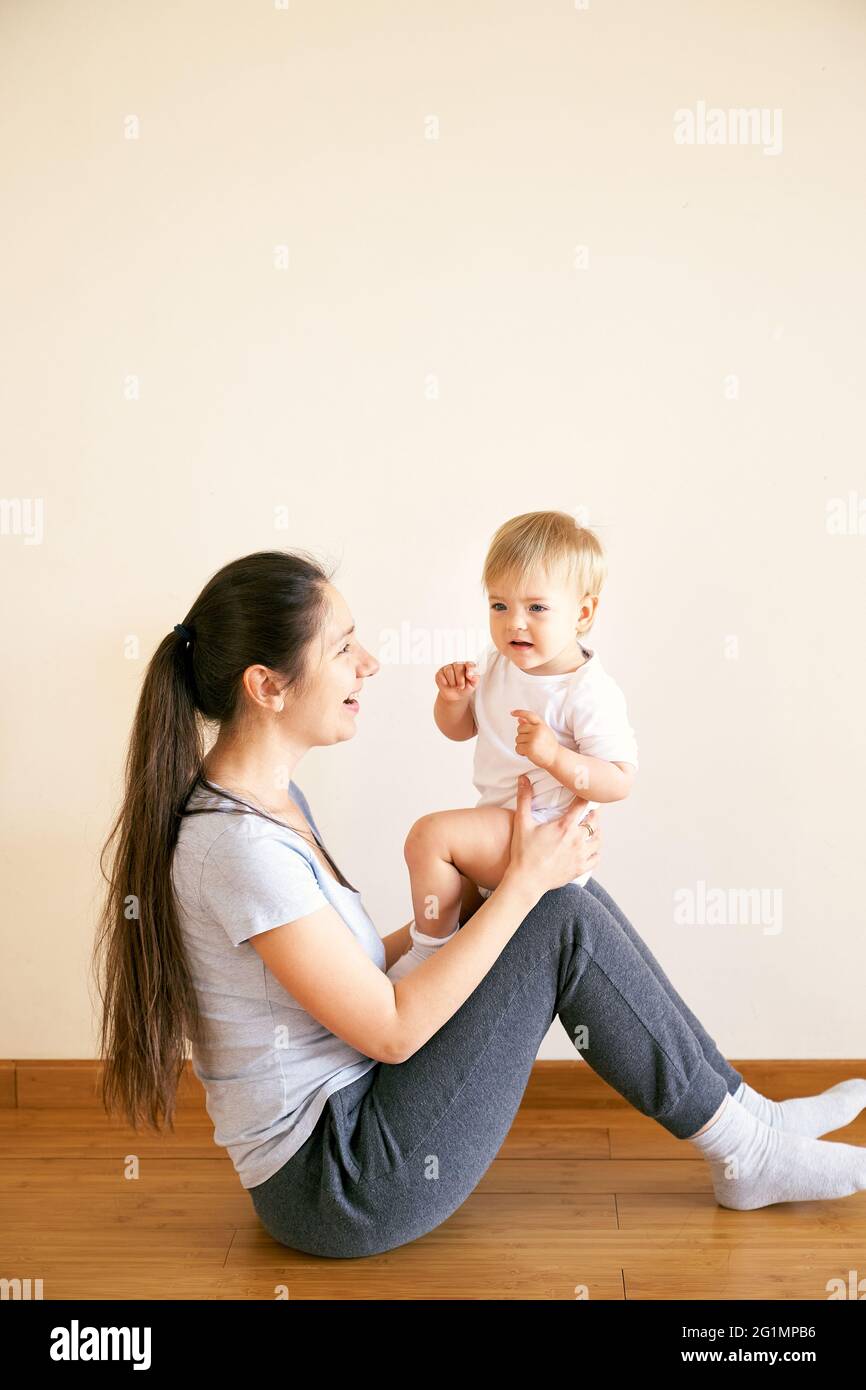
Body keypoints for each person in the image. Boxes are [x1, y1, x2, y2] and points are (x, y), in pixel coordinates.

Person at [93, 548, 866, 1260]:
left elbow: (356, 976)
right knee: (551, 910)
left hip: (355, 1129)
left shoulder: (265, 804)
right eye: (342, 648)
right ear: (266, 686)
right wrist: (522, 886)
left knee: (541, 902)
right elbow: (392, 1032)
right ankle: (744, 1147)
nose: (371, 662)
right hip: (338, 1185)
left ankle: (745, 1119)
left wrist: (474, 908)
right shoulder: (240, 848)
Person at [388, 509, 639, 981]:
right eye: (499, 606)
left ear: (583, 613)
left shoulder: (586, 690)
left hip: (544, 836)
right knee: (445, 866)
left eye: (536, 608)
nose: (514, 624)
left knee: (430, 837)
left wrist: (554, 756)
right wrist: (453, 700)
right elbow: (460, 729)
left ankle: (428, 953)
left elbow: (619, 780)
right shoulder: (498, 664)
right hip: (504, 826)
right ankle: (442, 945)